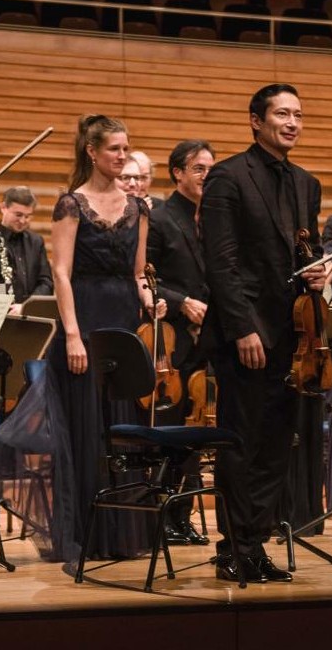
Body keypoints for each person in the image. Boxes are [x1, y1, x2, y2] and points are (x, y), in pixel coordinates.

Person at [200, 83, 324, 584]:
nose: (292, 122)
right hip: (247, 335)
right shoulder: (228, 178)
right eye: (282, 114)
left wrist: (317, 270)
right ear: (256, 120)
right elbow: (221, 264)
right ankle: (234, 546)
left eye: (298, 114)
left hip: (293, 335)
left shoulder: (306, 183)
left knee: (278, 444)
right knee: (242, 443)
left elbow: (303, 251)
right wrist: (242, 328)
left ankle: (256, 541)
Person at [49, 114, 161, 566]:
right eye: (114, 148)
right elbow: (61, 272)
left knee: (124, 430)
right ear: (92, 152)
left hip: (123, 323)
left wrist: (152, 302)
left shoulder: (140, 208)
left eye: (126, 148)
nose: (122, 156)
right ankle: (88, 533)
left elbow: (139, 273)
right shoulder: (70, 204)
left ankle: (123, 532)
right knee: (86, 430)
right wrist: (73, 336)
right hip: (85, 323)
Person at [145, 138, 214, 546]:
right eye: (199, 168)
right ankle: (164, 515)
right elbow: (145, 278)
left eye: (211, 168)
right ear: (178, 173)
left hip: (210, 340)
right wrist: (180, 303)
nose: (207, 175)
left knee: (198, 428)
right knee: (173, 428)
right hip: (174, 343)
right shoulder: (160, 217)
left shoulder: (217, 218)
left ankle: (183, 513)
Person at [0, 185, 51, 316]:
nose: (23, 220)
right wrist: (10, 308)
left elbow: (46, 282)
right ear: (3, 207)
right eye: (18, 214)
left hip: (32, 315)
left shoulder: (36, 241)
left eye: (28, 216)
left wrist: (27, 306)